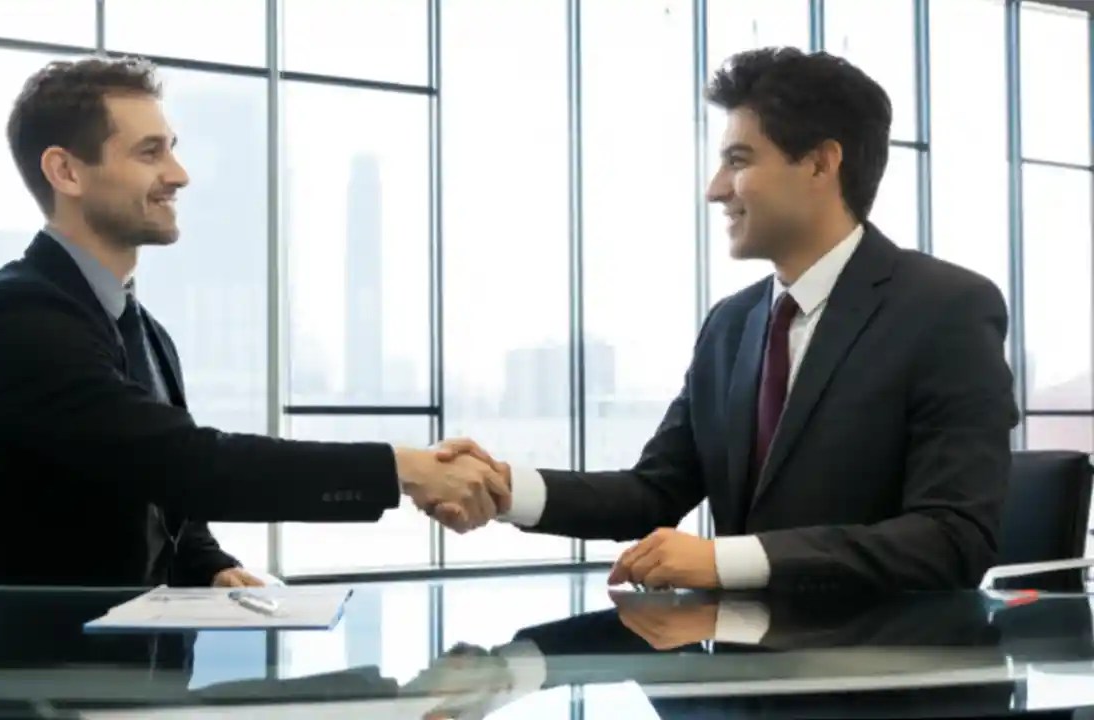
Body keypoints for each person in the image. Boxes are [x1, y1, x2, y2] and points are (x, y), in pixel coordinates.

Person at [435, 46, 1018, 592]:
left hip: (886, 679)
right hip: (743, 676)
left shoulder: (947, 308)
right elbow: (654, 491)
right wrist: (505, 489)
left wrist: (725, 560)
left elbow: (953, 539)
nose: (716, 190)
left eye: (737, 161)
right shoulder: (731, 324)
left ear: (820, 164)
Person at [0, 56, 506, 588]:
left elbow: (153, 488)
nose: (179, 174)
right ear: (65, 171)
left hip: (135, 672)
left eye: (172, 149)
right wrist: (401, 468)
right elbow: (183, 462)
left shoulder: (143, 329)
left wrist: (209, 566)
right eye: (149, 152)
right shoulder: (18, 316)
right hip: (37, 672)